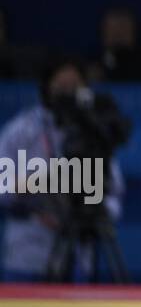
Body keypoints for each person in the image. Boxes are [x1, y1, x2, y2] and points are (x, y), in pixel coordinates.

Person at [0, 58, 127, 282]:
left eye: (74, 86)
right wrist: (39, 182)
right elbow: (3, 188)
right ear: (47, 87)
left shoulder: (93, 132)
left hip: (79, 256)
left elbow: (113, 192)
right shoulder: (21, 130)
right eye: (62, 85)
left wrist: (96, 214)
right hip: (29, 252)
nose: (68, 93)